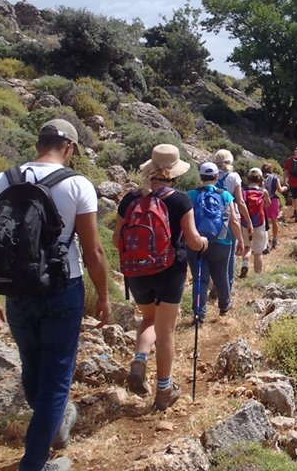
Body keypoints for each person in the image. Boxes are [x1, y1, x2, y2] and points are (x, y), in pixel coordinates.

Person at [0, 119, 111, 471]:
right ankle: (35, 463)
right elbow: (94, 250)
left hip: (16, 289)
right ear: (68, 147)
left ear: (40, 143)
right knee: (56, 378)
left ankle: (50, 426)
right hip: (62, 288)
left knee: (33, 368)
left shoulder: (2, 181)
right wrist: (103, 296)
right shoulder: (77, 185)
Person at [115, 144, 210, 412]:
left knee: (147, 318)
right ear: (174, 173)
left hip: (137, 272)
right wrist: (203, 243)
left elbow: (116, 239)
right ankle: (164, 390)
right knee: (165, 330)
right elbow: (191, 241)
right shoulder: (180, 200)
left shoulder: (130, 198)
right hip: (170, 271)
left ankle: (139, 360)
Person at [187, 162, 243, 323]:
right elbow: (233, 220)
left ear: (201, 177)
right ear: (216, 177)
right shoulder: (225, 195)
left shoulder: (191, 195)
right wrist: (240, 239)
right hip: (222, 242)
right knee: (221, 275)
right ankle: (224, 305)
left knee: (200, 278)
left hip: (197, 242)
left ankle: (199, 314)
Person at [213, 149, 252, 286]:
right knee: (231, 253)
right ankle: (228, 285)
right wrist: (248, 221)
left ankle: (216, 281)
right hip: (231, 216)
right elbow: (240, 202)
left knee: (215, 250)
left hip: (213, 217)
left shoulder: (212, 175)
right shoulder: (234, 177)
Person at [242, 168, 271, 274]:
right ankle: (257, 275)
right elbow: (268, 204)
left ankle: (245, 264)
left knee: (246, 246)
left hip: (245, 223)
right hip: (259, 224)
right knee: (258, 252)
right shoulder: (263, 191)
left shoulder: (243, 191)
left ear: (248, 179)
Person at [261, 162, 283, 251]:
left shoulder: (259, 177)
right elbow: (280, 190)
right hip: (273, 200)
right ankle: (275, 239)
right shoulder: (274, 177)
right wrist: (285, 187)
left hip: (262, 201)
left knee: (263, 222)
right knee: (274, 221)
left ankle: (265, 243)